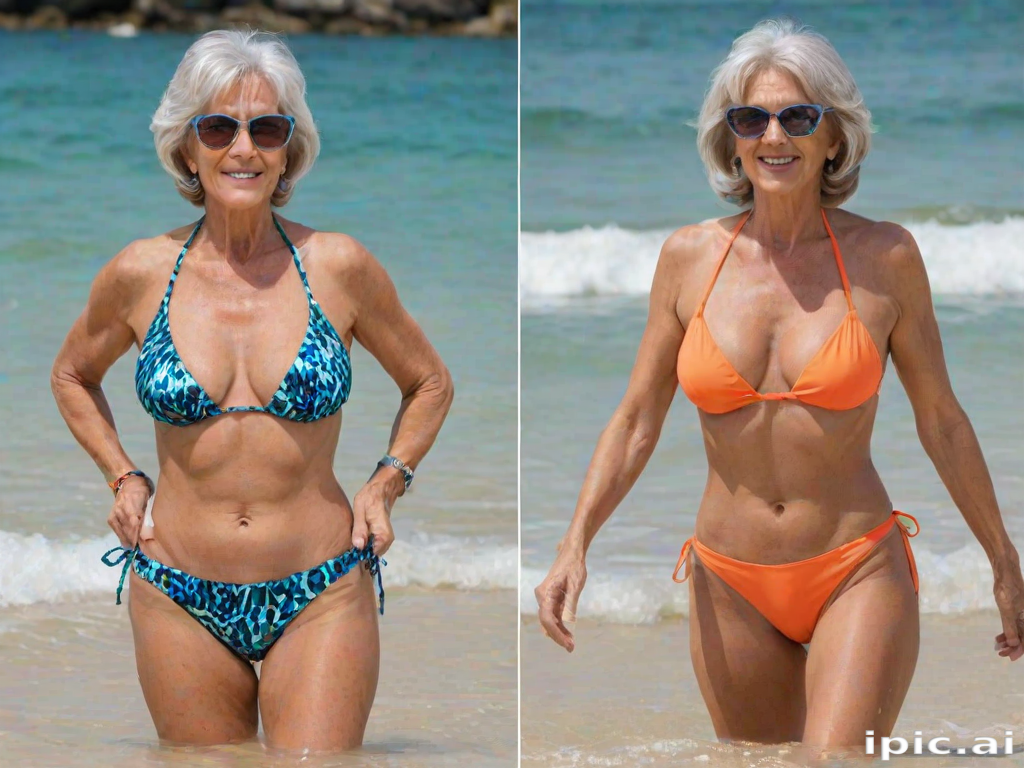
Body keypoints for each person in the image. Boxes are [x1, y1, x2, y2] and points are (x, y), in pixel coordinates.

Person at [534, 18, 1024, 748]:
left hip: (855, 567)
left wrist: (1004, 561)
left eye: (798, 117)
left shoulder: (886, 257)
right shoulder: (688, 258)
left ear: (834, 136)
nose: (774, 136)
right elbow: (638, 417)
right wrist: (574, 544)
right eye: (751, 118)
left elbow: (942, 421)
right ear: (729, 137)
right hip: (727, 580)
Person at [50, 29, 453, 751]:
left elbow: (429, 382)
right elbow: (72, 375)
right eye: (218, 128)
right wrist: (122, 477)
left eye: (266, 128)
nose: (243, 149)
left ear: (290, 149)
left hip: (321, 587)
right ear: (186, 147)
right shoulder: (142, 272)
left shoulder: (338, 265)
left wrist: (386, 483)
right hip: (177, 591)